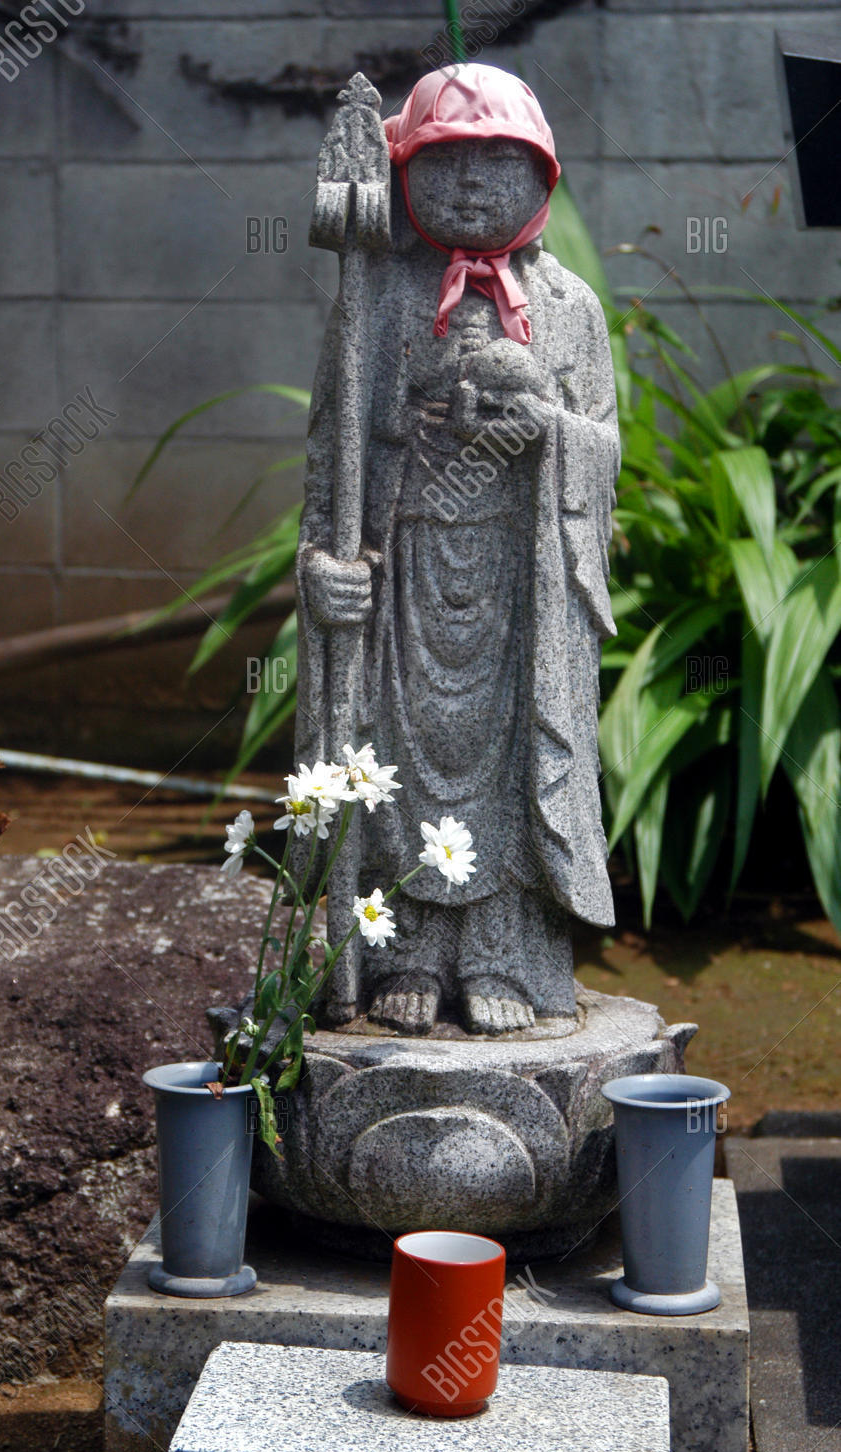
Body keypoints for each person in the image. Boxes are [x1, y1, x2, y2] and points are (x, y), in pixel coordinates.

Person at [296, 64, 619, 1035]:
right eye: (446, 164)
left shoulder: (567, 309)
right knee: (397, 756)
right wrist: (325, 570)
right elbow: (330, 458)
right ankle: (406, 949)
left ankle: (502, 954)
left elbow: (602, 447)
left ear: (540, 178)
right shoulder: (379, 303)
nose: (473, 184)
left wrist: (543, 421)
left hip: (521, 583)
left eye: (497, 163)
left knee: (511, 760)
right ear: (404, 179)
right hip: (405, 580)